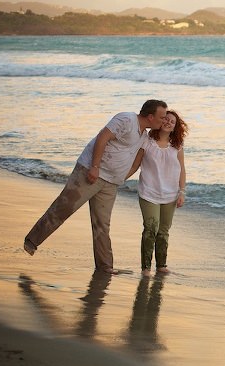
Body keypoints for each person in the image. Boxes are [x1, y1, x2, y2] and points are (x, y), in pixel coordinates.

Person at [23, 100, 168, 273]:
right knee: (64, 208)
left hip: (110, 183)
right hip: (90, 173)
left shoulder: (144, 136)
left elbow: (136, 162)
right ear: (150, 117)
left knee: (102, 225)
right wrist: (95, 166)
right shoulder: (126, 119)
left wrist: (121, 178)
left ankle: (105, 266)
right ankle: (31, 241)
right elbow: (103, 137)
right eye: (162, 117)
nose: (164, 120)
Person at [128, 109, 187, 276]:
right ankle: (146, 268)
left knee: (163, 231)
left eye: (172, 122)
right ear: (160, 121)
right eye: (166, 119)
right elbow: (135, 165)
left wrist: (182, 192)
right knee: (150, 228)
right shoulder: (147, 142)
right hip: (148, 192)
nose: (168, 123)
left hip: (170, 194)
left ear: (175, 127)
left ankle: (161, 265)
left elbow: (182, 170)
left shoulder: (177, 146)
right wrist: (119, 178)